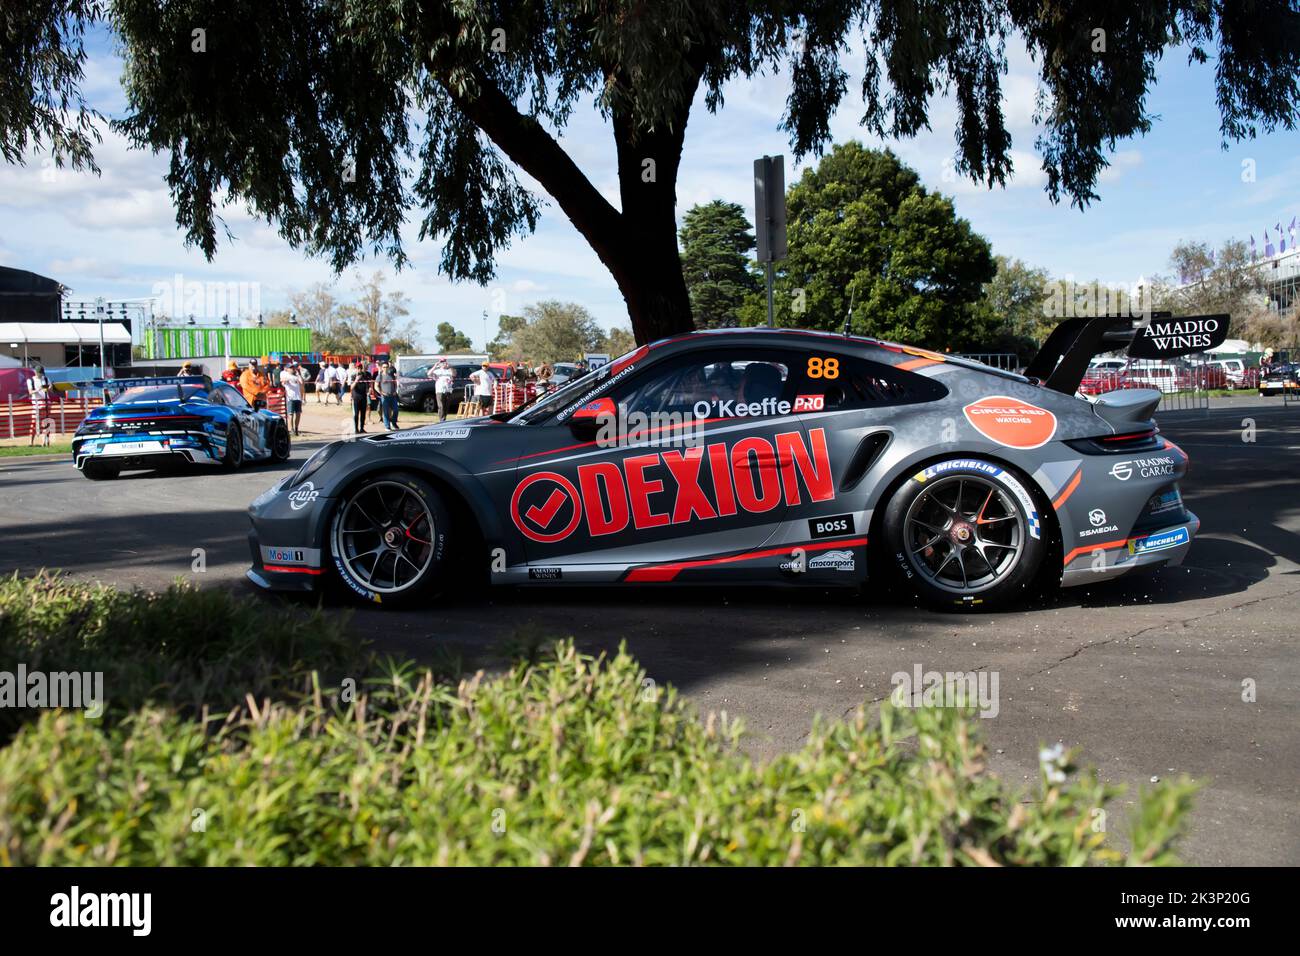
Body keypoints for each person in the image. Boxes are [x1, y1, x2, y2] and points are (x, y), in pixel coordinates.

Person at [26, 364, 51, 447]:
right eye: (40, 373)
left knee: (45, 423)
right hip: (36, 403)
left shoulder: (46, 379)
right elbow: (30, 392)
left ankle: (44, 442)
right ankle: (30, 442)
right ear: (35, 372)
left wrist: (49, 388)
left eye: (42, 373)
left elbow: (50, 388)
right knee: (34, 423)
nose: (41, 374)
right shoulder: (30, 380)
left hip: (46, 402)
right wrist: (39, 389)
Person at [280, 363, 305, 436]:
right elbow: (282, 381)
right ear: (287, 369)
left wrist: (298, 375)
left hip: (298, 397)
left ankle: (296, 429)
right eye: (290, 368)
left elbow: (302, 383)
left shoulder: (297, 375)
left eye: (293, 368)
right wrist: (288, 379)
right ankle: (292, 430)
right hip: (290, 398)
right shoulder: (286, 375)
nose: (292, 369)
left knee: (298, 414)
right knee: (291, 414)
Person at [349, 362, 373, 434]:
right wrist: (356, 380)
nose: (359, 369)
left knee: (363, 413)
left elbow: (368, 384)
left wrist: (369, 389)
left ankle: (362, 428)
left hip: (363, 397)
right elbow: (351, 387)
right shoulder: (353, 376)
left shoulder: (365, 375)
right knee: (356, 414)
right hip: (356, 397)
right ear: (355, 368)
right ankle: (356, 429)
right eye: (357, 368)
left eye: (360, 368)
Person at [375, 360, 400, 430]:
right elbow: (376, 386)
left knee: (396, 410)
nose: (385, 368)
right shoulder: (379, 376)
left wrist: (395, 391)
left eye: (386, 367)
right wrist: (381, 392)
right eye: (384, 367)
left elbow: (395, 384)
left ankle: (393, 422)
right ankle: (387, 426)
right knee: (386, 412)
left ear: (388, 367)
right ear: (382, 368)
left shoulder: (391, 376)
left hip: (392, 396)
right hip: (384, 396)